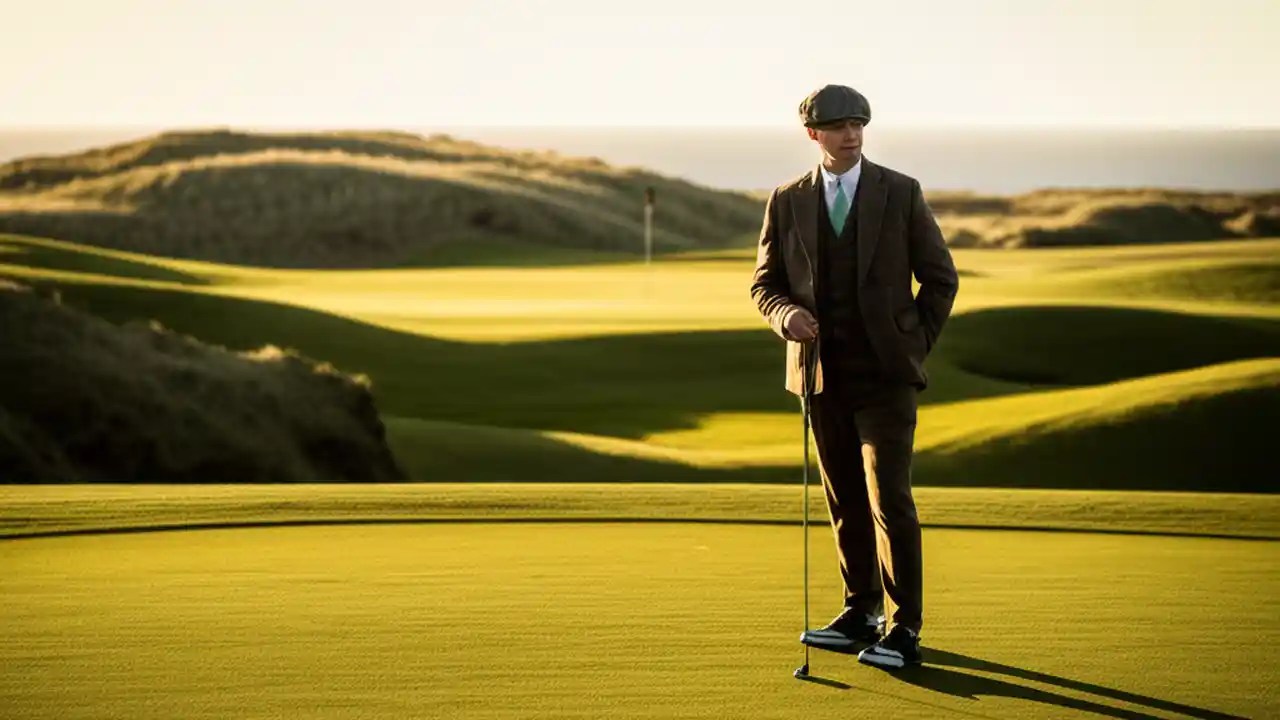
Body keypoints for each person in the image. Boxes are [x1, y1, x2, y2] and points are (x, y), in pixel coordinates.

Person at [750, 84, 959, 669]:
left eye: (859, 124)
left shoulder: (901, 192)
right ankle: (860, 610)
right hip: (822, 378)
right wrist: (783, 313)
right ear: (813, 133)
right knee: (844, 500)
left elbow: (940, 279)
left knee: (889, 498)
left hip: (886, 376)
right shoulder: (787, 200)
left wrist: (912, 345)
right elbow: (764, 285)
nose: (851, 134)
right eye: (839, 125)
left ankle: (904, 628)